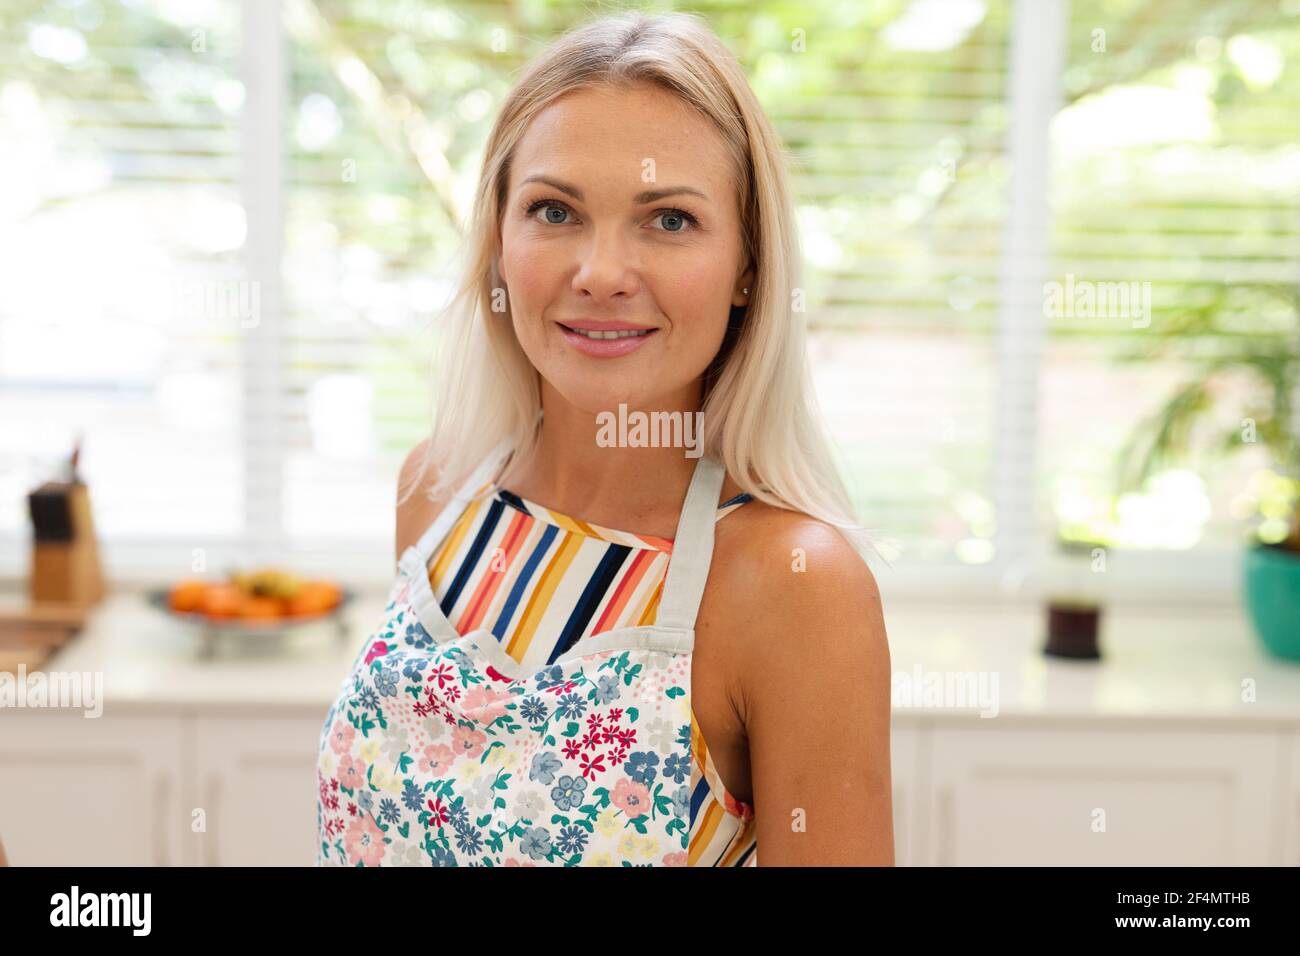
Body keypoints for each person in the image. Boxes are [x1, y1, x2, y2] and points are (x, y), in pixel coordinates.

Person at [315, 9, 892, 866]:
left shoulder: (792, 585)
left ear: (748, 268)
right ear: (498, 244)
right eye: (554, 211)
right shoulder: (436, 491)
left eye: (668, 221)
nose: (600, 274)